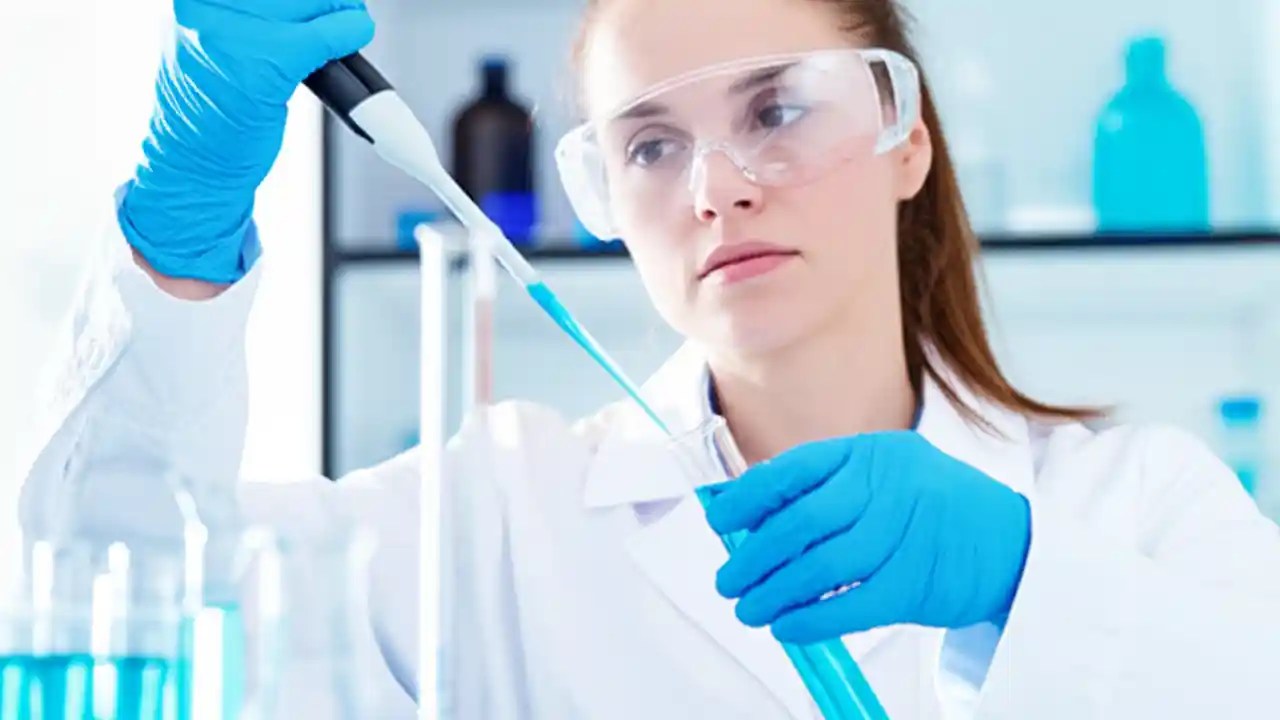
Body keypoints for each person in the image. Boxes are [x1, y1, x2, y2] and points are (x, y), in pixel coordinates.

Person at [17, 0, 1280, 717]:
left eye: (776, 111)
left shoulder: (1135, 508)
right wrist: (177, 244)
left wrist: (1023, 583)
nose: (715, 191)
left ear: (905, 139)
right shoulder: (497, 516)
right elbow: (117, 599)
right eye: (649, 147)